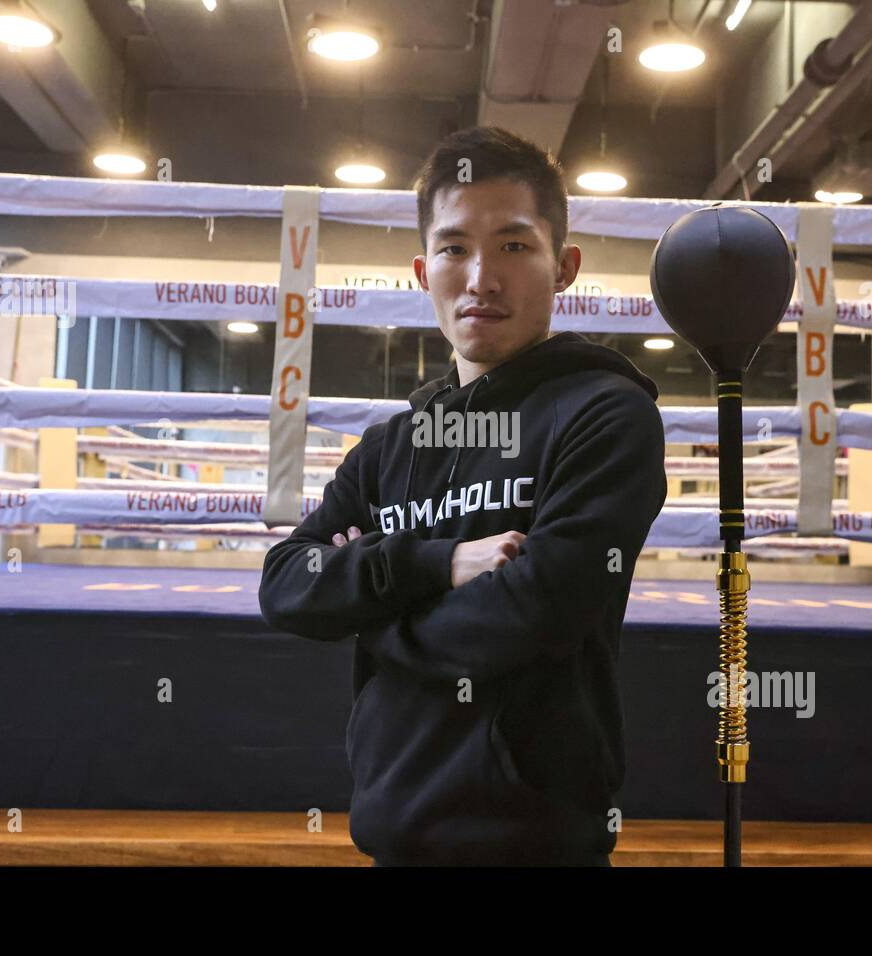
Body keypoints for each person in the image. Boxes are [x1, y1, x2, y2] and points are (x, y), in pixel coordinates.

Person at [258, 125, 667, 866]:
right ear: (423, 269)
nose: (481, 277)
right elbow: (286, 584)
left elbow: (536, 611)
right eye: (454, 249)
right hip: (391, 836)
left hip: (536, 845)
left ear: (565, 265)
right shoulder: (393, 445)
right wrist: (433, 565)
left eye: (513, 245)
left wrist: (372, 616)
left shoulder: (606, 415)